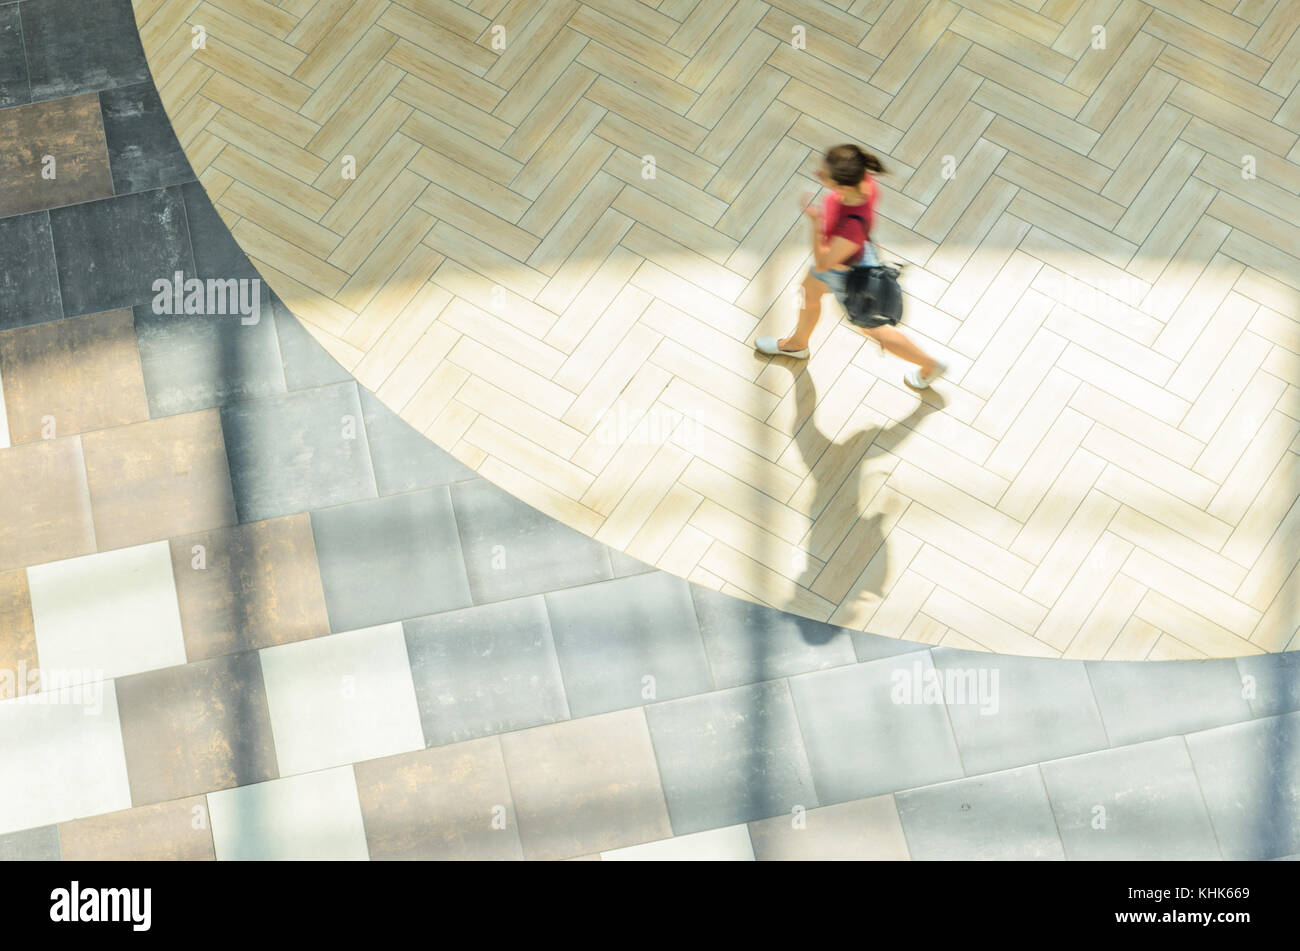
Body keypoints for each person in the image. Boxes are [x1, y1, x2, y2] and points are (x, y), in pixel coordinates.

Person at [755, 144, 947, 390]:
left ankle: (930, 365)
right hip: (850, 256)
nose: (818, 175)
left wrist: (815, 222)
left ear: (843, 185)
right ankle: (797, 344)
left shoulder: (851, 227)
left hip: (845, 274)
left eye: (825, 175)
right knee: (807, 290)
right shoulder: (864, 183)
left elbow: (825, 262)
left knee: (874, 331)